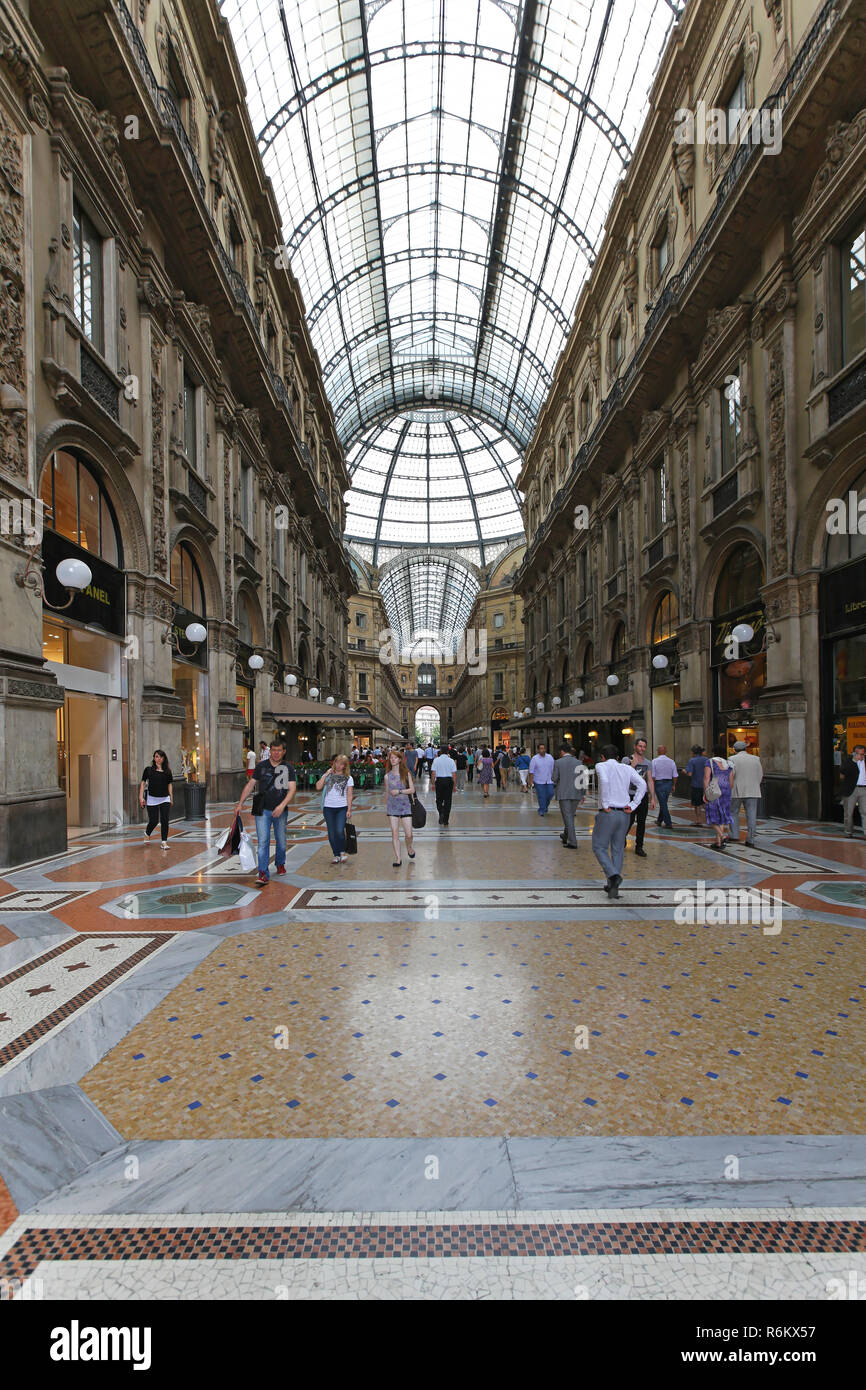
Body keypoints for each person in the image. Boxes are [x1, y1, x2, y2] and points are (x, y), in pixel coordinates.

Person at [234, 737, 297, 885]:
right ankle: (263, 872)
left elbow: (292, 789)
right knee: (263, 842)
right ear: (270, 752)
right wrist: (240, 803)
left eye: (279, 750)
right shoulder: (261, 766)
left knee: (281, 841)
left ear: (283, 752)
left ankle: (280, 863)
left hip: (280, 811)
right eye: (273, 750)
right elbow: (251, 785)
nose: (276, 753)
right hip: (262, 810)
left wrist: (282, 806)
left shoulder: (288, 768)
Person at [592, 744, 646, 898]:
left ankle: (613, 876)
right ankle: (613, 887)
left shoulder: (601, 765)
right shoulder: (627, 768)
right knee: (617, 848)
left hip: (608, 813)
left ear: (602, 756)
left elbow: (604, 780)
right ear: (617, 757)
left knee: (599, 846)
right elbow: (642, 785)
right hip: (624, 813)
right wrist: (634, 804)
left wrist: (605, 803)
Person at [316, 753, 354, 864]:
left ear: (345, 766)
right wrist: (326, 774)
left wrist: (349, 809)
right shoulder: (328, 775)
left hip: (342, 807)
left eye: (341, 764)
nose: (338, 765)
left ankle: (342, 852)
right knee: (331, 833)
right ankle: (336, 854)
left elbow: (349, 795)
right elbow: (318, 787)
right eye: (337, 762)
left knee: (339, 831)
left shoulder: (348, 778)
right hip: (328, 808)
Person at [622, 737, 655, 857]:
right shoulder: (626, 759)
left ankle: (639, 846)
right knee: (628, 820)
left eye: (644, 747)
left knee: (642, 822)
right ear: (635, 746)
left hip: (642, 796)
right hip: (629, 795)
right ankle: (622, 838)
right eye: (640, 746)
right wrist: (633, 766)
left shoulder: (648, 763)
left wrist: (652, 798)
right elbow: (622, 776)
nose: (642, 749)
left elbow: (650, 780)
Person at [728, 739, 764, 847]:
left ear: (734, 749)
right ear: (745, 748)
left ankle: (734, 835)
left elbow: (731, 775)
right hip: (753, 790)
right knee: (752, 815)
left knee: (733, 812)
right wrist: (755, 784)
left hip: (737, 790)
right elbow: (760, 774)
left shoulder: (732, 759)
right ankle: (751, 839)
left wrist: (729, 788)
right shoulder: (756, 759)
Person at [384, 747, 416, 866]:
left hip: (406, 806)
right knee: (395, 833)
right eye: (391, 758)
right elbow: (387, 792)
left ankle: (409, 846)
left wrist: (400, 791)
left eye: (395, 758)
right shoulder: (387, 776)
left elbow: (412, 789)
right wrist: (386, 806)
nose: (392, 760)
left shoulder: (406, 774)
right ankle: (398, 858)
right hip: (392, 807)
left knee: (409, 834)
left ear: (399, 760)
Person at [703, 742, 735, 851]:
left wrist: (706, 792)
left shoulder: (710, 762)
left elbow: (707, 778)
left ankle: (722, 836)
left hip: (715, 789)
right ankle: (718, 842)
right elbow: (731, 782)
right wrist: (728, 790)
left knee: (712, 814)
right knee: (722, 815)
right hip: (726, 790)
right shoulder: (729, 764)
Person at [140, 750, 173, 852]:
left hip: (165, 798)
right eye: (157, 757)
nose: (159, 759)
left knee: (165, 820)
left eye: (161, 757)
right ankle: (147, 833)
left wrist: (171, 797)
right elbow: (143, 783)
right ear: (154, 758)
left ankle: (164, 842)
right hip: (152, 798)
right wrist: (141, 797)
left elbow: (169, 784)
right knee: (154, 820)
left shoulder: (167, 771)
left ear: (164, 759)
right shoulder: (148, 770)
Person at [552, 744, 583, 848]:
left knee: (568, 817)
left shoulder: (558, 762)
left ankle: (573, 842)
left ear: (561, 752)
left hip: (564, 793)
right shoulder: (579, 762)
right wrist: (583, 794)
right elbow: (583, 779)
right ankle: (565, 835)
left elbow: (554, 778)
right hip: (576, 793)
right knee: (569, 816)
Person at [841, 744, 866, 837]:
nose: (861, 756)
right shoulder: (849, 761)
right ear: (854, 753)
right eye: (859, 754)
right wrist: (854, 761)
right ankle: (848, 831)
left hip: (864, 789)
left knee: (865, 811)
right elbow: (843, 770)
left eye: (863, 754)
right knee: (849, 812)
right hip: (851, 789)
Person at [651, 744, 678, 829]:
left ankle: (668, 822)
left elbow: (653, 776)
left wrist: (652, 785)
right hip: (668, 783)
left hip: (659, 783)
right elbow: (675, 775)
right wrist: (673, 785)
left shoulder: (654, 761)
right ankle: (659, 820)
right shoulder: (671, 761)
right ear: (666, 751)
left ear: (658, 751)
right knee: (663, 802)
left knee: (663, 803)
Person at [684, 744, 709, 827]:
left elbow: (690, 773)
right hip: (707, 785)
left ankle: (699, 820)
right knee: (707, 803)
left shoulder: (692, 760)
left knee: (697, 804)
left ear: (693, 752)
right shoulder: (707, 760)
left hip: (696, 785)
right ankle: (711, 819)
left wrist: (685, 771)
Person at [431, 745, 457, 827]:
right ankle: (446, 820)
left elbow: (433, 773)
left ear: (441, 751)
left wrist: (432, 783)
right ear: (448, 752)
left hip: (439, 781)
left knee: (439, 799)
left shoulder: (436, 760)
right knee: (448, 800)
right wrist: (454, 785)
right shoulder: (451, 761)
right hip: (449, 781)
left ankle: (441, 812)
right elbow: (454, 775)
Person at [528, 742, 555, 816]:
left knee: (551, 793)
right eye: (541, 749)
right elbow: (531, 771)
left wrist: (555, 778)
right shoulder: (535, 759)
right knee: (541, 796)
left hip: (549, 780)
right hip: (539, 781)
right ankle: (542, 810)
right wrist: (531, 781)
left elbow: (553, 768)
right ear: (538, 750)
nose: (542, 750)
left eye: (543, 748)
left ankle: (545, 806)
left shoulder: (550, 757)